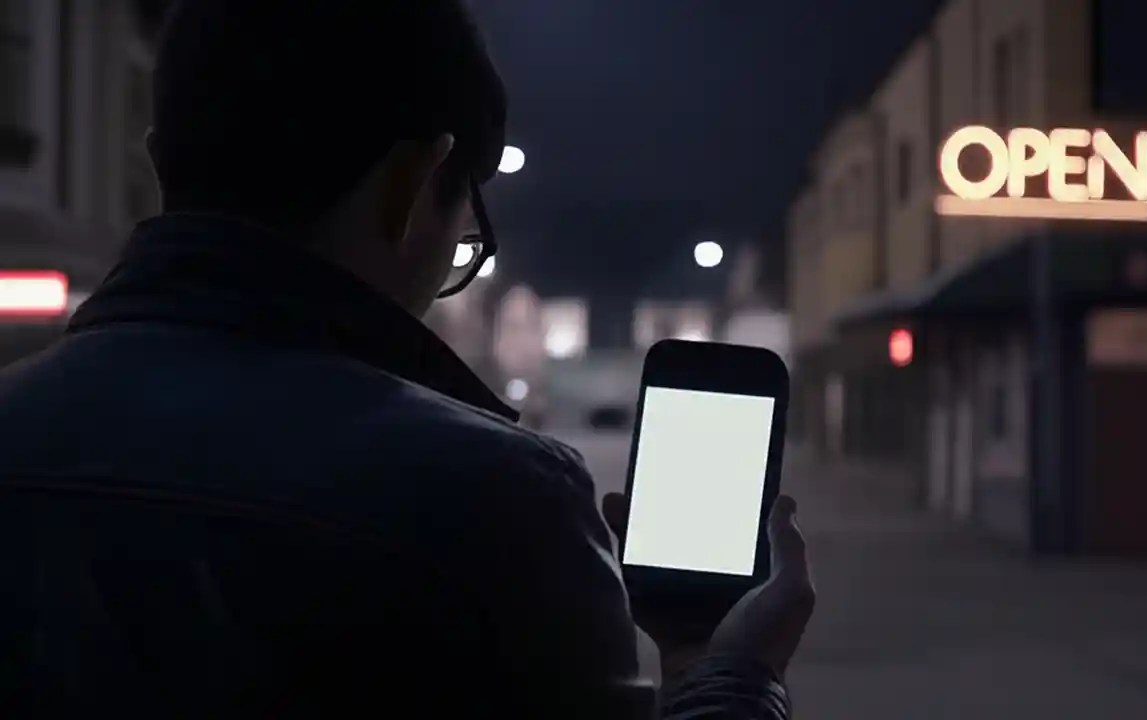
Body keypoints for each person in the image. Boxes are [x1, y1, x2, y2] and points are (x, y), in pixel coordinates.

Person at [0, 1, 814, 717]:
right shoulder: (497, 508)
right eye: (464, 231)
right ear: (409, 184)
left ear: (159, 158)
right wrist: (724, 678)